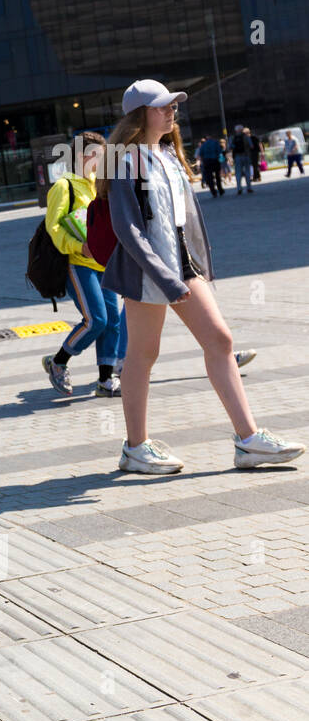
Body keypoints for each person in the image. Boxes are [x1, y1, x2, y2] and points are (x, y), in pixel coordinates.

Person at [101, 80, 304, 474]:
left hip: (182, 264)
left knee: (220, 339)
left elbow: (183, 221)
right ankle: (135, 447)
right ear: (139, 115)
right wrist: (165, 277)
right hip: (146, 270)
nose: (172, 111)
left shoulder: (167, 156)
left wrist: (195, 267)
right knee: (143, 355)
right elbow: (128, 229)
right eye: (162, 107)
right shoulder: (124, 160)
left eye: (173, 105)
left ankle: (248, 440)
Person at [42, 132, 122, 397]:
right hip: (78, 263)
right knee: (95, 319)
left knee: (112, 322)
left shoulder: (100, 185)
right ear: (80, 156)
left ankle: (105, 379)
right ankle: (58, 361)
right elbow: (54, 228)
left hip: (103, 264)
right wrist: (80, 247)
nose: (101, 160)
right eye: (96, 155)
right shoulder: (65, 186)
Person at [230, 125, 253, 195]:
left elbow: (230, 147)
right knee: (247, 172)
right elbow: (252, 146)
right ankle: (249, 188)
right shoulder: (246, 137)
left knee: (238, 173)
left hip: (237, 157)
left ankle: (239, 188)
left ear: (236, 130)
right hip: (246, 155)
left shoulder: (233, 137)